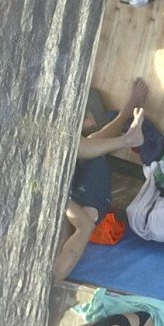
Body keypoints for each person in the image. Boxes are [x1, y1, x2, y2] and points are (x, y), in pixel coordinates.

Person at [54, 82, 147, 284]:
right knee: (91, 154)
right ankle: (129, 133)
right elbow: (85, 227)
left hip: (63, 199)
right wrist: (59, 197)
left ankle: (125, 117)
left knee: (85, 144)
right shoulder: (56, 271)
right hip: (84, 209)